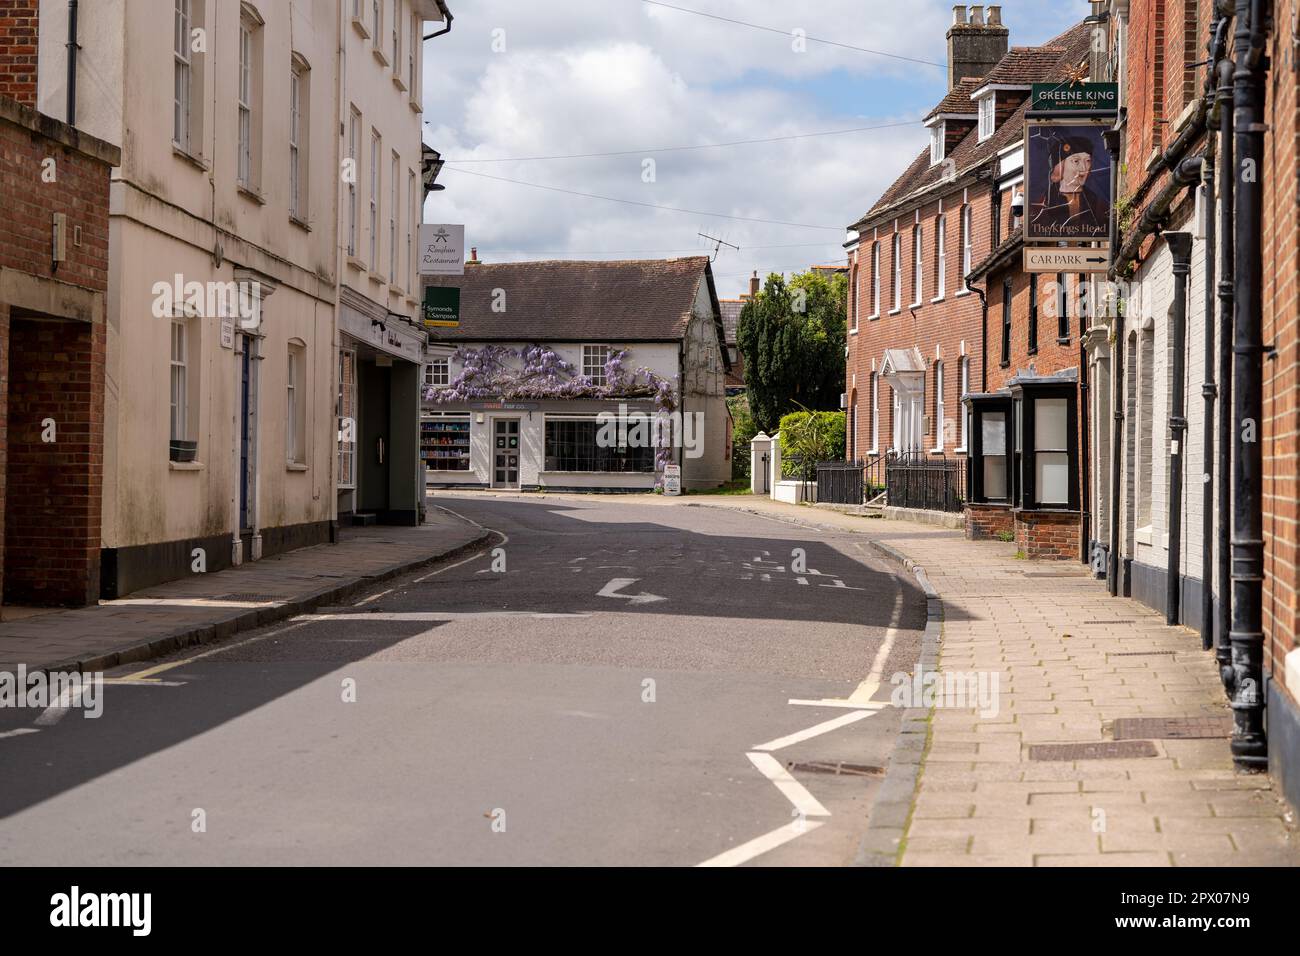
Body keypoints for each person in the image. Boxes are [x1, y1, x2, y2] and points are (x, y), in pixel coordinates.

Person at [1029, 132, 1107, 238]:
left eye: (1088, 161)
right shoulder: (1041, 204)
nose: (1084, 168)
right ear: (1060, 166)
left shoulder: (1100, 205)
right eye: (1076, 161)